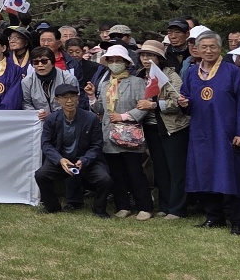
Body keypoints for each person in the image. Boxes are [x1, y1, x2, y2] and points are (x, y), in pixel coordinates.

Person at [178, 32, 240, 235]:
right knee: (206, 173)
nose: (208, 51)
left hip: (227, 132)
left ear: (220, 48)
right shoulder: (192, 73)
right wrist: (184, 103)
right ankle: (214, 216)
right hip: (202, 132)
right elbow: (186, 98)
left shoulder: (233, 72)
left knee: (233, 174)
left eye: (213, 46)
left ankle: (238, 221)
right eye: (204, 47)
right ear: (197, 50)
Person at [92, 46, 153, 220]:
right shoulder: (104, 84)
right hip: (109, 134)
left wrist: (124, 116)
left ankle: (145, 206)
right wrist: (91, 97)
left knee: (134, 171)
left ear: (126, 63)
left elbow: (144, 106)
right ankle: (123, 205)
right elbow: (100, 109)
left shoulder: (137, 82)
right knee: (116, 173)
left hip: (129, 134)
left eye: (118, 60)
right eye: (111, 60)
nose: (114, 64)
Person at [35, 83, 112, 216]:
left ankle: (99, 210)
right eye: (64, 97)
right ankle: (52, 206)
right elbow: (46, 144)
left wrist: (84, 160)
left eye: (72, 97)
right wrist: (60, 160)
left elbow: (97, 145)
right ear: (57, 100)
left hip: (85, 160)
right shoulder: (52, 119)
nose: (69, 101)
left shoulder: (90, 118)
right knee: (41, 175)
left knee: (105, 179)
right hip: (63, 160)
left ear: (78, 98)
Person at [135, 40, 190, 220]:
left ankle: (177, 208)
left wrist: (154, 105)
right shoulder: (139, 75)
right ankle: (165, 205)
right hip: (150, 127)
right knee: (160, 168)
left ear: (159, 58)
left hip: (173, 127)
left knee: (175, 169)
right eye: (143, 55)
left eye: (149, 55)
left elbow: (178, 102)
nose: (145, 59)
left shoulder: (171, 76)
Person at [21, 46, 77, 119]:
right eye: (36, 62)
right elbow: (26, 103)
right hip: (39, 120)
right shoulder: (27, 81)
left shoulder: (68, 78)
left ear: (53, 63)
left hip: (65, 119)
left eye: (44, 61)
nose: (40, 65)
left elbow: (75, 102)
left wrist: (52, 116)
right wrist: (37, 114)